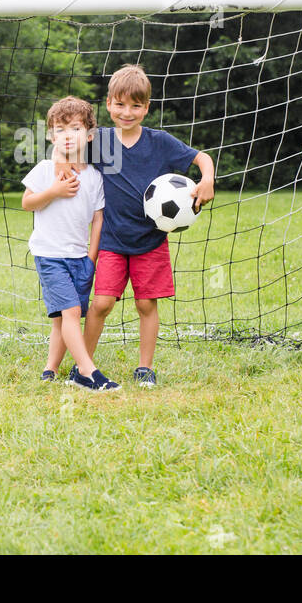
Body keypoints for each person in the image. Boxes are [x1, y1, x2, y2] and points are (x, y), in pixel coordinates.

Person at [79, 65, 215, 387]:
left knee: (145, 303)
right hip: (111, 238)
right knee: (101, 303)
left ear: (147, 108)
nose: (127, 112)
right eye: (120, 104)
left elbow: (202, 158)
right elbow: (65, 151)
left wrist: (206, 179)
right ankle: (84, 366)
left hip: (150, 241)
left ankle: (145, 368)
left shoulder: (160, 142)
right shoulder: (99, 142)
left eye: (136, 106)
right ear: (109, 103)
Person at [21, 95, 121, 391]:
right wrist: (54, 191)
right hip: (49, 254)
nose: (67, 136)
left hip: (80, 258)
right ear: (51, 135)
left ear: (89, 135)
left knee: (62, 318)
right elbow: (28, 203)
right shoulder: (44, 169)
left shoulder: (95, 178)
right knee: (72, 313)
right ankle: (88, 373)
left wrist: (91, 257)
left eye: (75, 129)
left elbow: (98, 219)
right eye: (60, 130)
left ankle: (50, 368)